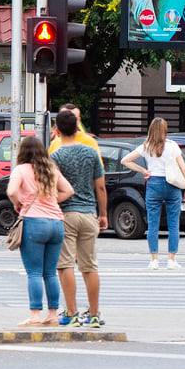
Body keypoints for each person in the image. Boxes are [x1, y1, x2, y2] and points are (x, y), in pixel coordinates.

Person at [50, 107, 107, 327]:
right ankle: (93, 314)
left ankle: (71, 313)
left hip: (67, 214)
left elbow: (53, 188)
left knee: (65, 265)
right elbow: (100, 187)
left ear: (57, 130)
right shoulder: (91, 152)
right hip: (89, 213)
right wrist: (102, 214)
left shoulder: (55, 156)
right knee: (89, 266)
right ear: (77, 127)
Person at [9, 134, 74, 326]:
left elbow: (11, 191)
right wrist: (53, 201)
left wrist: (18, 203)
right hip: (56, 223)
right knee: (50, 272)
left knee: (34, 272)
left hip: (34, 222)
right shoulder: (51, 169)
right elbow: (68, 190)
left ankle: (35, 314)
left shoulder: (20, 170)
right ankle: (53, 313)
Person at [122, 118, 185, 268]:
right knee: (174, 224)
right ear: (165, 130)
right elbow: (184, 169)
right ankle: (171, 260)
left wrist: (144, 171)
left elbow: (125, 160)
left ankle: (154, 260)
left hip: (153, 184)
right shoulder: (173, 146)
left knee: (153, 224)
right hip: (172, 185)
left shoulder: (146, 146)